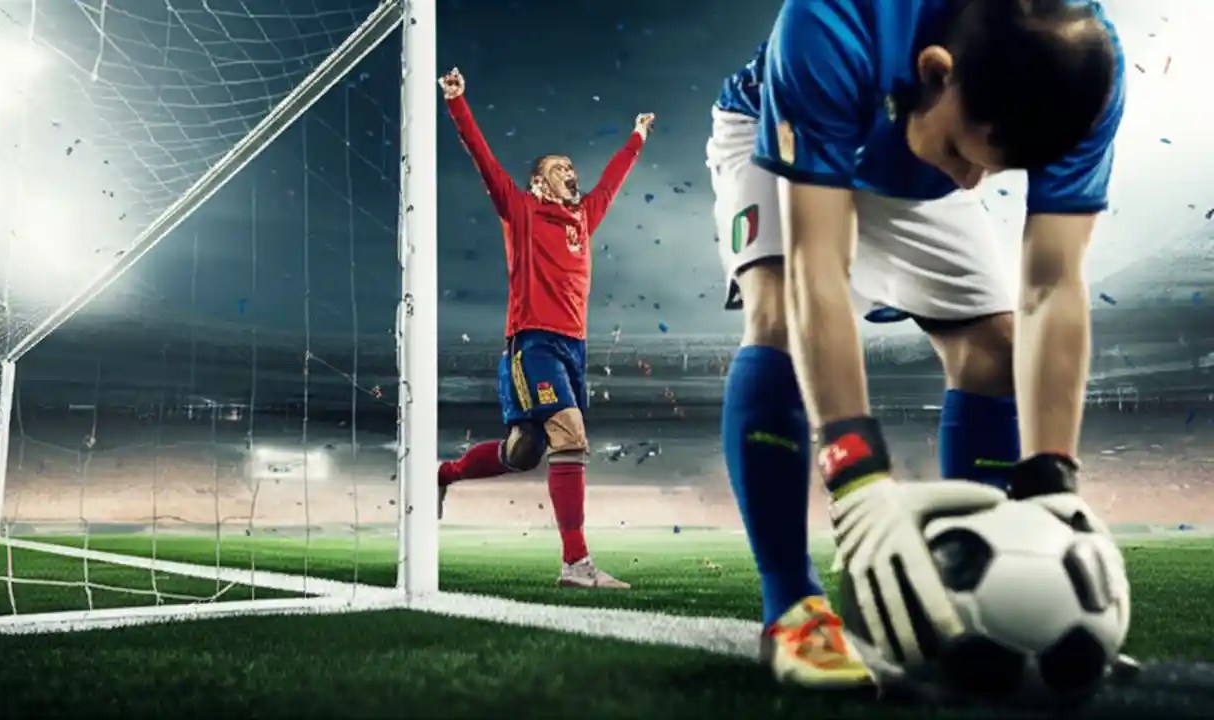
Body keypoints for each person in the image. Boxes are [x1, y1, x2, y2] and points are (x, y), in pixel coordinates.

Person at [712, 0, 1127, 682]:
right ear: (937, 70)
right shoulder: (828, 24)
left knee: (994, 352)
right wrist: (858, 478)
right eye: (970, 153)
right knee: (777, 316)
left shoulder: (1080, 66)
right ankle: (793, 607)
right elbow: (819, 270)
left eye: (1000, 170)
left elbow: (1053, 282)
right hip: (786, 135)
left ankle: (985, 598)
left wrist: (1053, 477)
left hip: (910, 152)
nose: (975, 182)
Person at [435, 67, 653, 590]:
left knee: (524, 453)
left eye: (572, 166)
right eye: (559, 168)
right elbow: (484, 162)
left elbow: (613, 181)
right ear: (538, 181)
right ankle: (576, 563)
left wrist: (637, 137)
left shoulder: (582, 218)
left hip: (574, 348)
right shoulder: (521, 209)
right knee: (570, 432)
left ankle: (444, 473)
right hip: (533, 342)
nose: (570, 173)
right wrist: (459, 104)